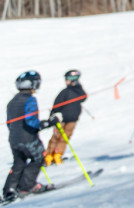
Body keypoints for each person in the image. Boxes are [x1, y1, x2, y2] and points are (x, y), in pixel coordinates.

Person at [3, 71, 60, 203]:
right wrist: (47, 123)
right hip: (27, 137)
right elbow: (31, 121)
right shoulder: (30, 99)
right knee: (38, 158)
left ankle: (9, 190)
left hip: (14, 139)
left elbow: (9, 123)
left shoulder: (12, 102)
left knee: (19, 162)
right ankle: (26, 186)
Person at [43, 69, 86, 166]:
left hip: (63, 119)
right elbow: (84, 97)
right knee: (64, 137)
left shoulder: (66, 92)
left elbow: (57, 104)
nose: (66, 81)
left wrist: (53, 115)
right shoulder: (78, 91)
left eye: (67, 79)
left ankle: (51, 156)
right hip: (72, 118)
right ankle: (56, 156)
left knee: (57, 137)